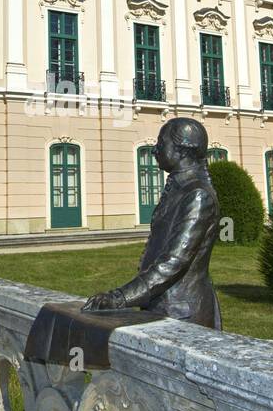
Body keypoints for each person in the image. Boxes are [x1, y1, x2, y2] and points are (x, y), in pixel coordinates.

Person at [82, 117, 221, 329]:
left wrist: (120, 297)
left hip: (182, 312)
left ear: (182, 151)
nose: (155, 150)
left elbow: (174, 261)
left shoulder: (197, 195)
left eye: (161, 144)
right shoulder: (180, 188)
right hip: (162, 305)